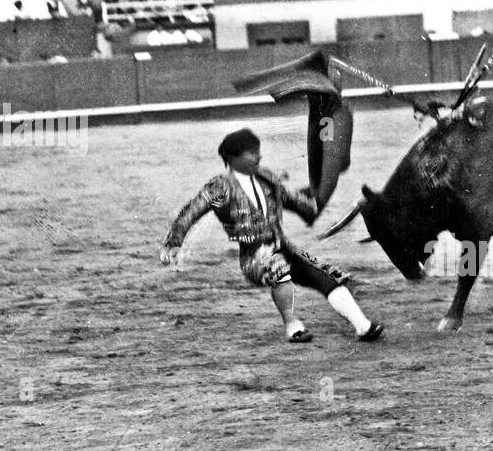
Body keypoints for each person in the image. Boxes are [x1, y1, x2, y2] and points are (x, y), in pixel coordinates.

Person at [159, 128, 384, 343]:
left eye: (258, 150)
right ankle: (292, 325)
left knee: (325, 278)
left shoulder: (266, 177)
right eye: (252, 152)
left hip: (282, 245)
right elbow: (191, 211)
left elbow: (291, 199)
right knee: (279, 269)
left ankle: (363, 326)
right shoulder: (220, 186)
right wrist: (174, 241)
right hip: (253, 256)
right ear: (234, 158)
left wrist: (314, 203)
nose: (259, 156)